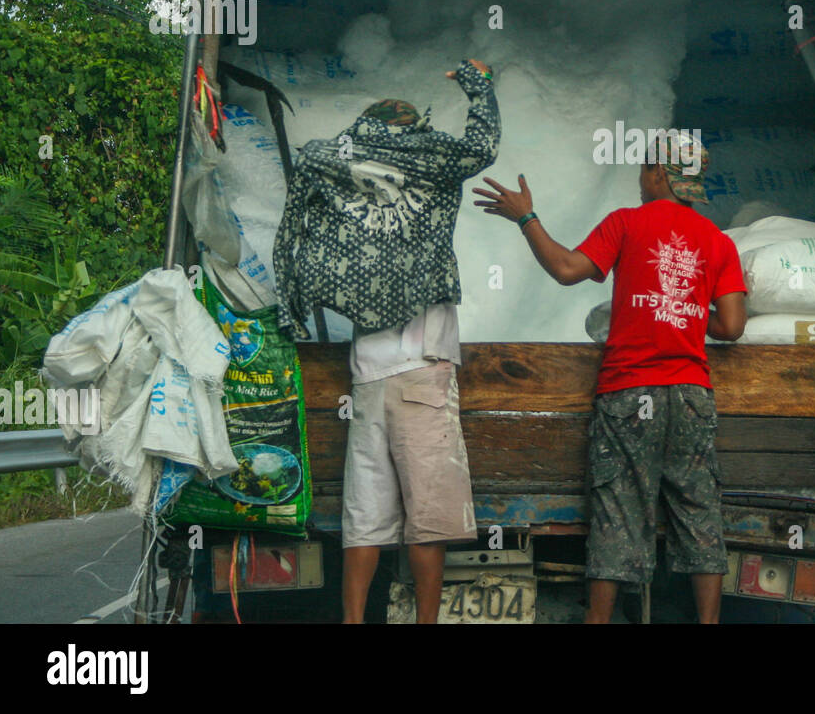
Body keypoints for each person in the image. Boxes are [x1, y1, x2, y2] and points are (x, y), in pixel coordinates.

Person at [473, 130, 746, 623]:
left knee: (617, 512)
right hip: (690, 395)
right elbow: (731, 326)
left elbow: (565, 269)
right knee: (699, 513)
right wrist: (680, 309)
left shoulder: (627, 222)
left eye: (643, 168)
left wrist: (527, 219)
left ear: (659, 173)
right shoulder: (718, 241)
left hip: (630, 392)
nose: (639, 178)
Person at [273, 58, 499, 624]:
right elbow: (482, 147)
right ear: (411, 131)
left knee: (365, 519)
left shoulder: (333, 164)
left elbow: (292, 236)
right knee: (428, 520)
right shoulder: (431, 163)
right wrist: (478, 85)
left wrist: (292, 310)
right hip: (423, 370)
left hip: (367, 379)